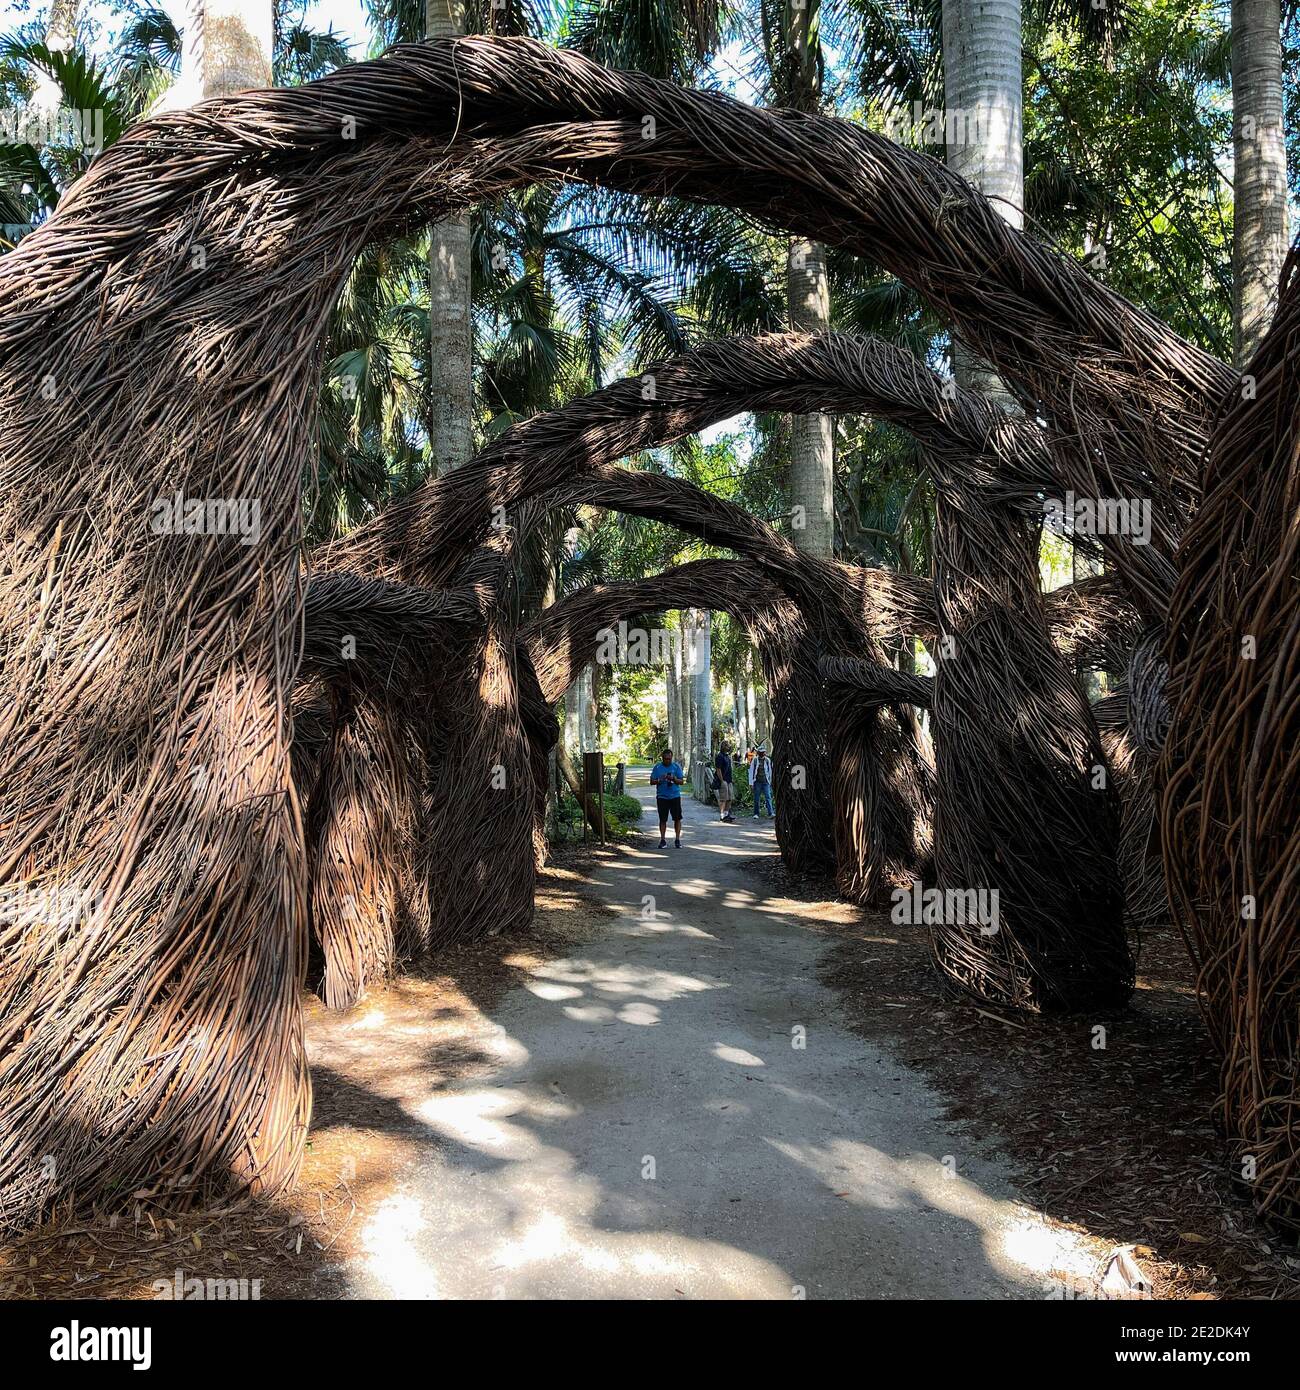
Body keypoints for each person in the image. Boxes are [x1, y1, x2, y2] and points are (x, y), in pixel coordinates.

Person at [650, 747, 685, 848]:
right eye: (665, 759)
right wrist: (659, 780)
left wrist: (674, 779)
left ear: (672, 758)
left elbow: (681, 781)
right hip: (662, 797)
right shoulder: (657, 768)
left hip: (675, 796)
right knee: (662, 819)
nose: (667, 761)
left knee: (677, 818)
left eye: (669, 759)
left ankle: (677, 839)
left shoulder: (676, 767)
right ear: (662, 758)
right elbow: (651, 781)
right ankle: (662, 840)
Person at [714, 743, 735, 823]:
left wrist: (731, 779)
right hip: (723, 780)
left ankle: (727, 814)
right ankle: (722, 815)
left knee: (730, 798)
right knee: (723, 798)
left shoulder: (727, 756)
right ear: (723, 747)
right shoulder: (720, 756)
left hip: (729, 779)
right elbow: (718, 769)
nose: (728, 746)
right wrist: (721, 780)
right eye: (727, 745)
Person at [751, 746, 773, 819]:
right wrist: (751, 783)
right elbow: (751, 771)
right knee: (756, 798)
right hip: (757, 782)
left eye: (763, 752)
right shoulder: (755, 760)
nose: (762, 753)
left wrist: (770, 781)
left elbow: (770, 771)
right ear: (758, 753)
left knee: (768, 797)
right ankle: (756, 813)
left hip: (766, 782)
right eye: (761, 752)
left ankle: (770, 813)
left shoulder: (767, 760)